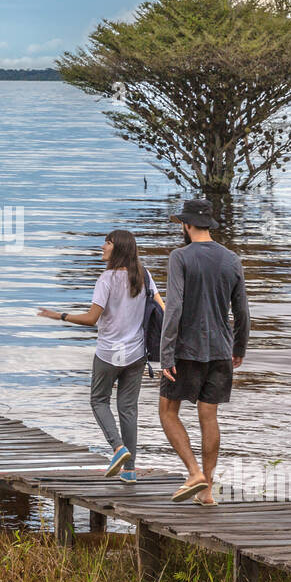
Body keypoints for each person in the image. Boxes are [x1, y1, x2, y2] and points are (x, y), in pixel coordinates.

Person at [39, 230, 165, 484]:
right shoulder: (144, 275)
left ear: (116, 248)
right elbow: (162, 308)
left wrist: (60, 316)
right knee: (128, 409)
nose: (102, 247)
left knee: (98, 401)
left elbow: (91, 319)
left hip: (108, 353)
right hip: (137, 354)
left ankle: (117, 447)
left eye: (107, 243)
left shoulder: (106, 279)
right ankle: (129, 472)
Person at [159, 199, 250, 505]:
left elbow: (173, 310)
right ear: (208, 225)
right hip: (221, 350)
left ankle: (195, 472)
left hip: (187, 350)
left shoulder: (180, 257)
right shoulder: (231, 259)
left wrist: (166, 354)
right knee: (208, 416)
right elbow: (242, 311)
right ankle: (207, 490)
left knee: (168, 412)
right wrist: (239, 347)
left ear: (186, 225)